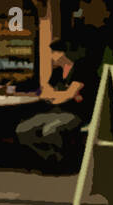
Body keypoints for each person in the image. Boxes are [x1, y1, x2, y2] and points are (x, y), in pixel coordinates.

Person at [16, 40, 95, 170]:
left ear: (62, 53)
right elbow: (47, 92)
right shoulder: (58, 72)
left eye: (53, 53)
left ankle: (62, 164)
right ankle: (50, 159)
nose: (51, 57)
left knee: (49, 130)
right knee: (23, 129)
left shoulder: (80, 70)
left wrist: (57, 96)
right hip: (55, 111)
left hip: (75, 114)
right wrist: (60, 95)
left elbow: (68, 95)